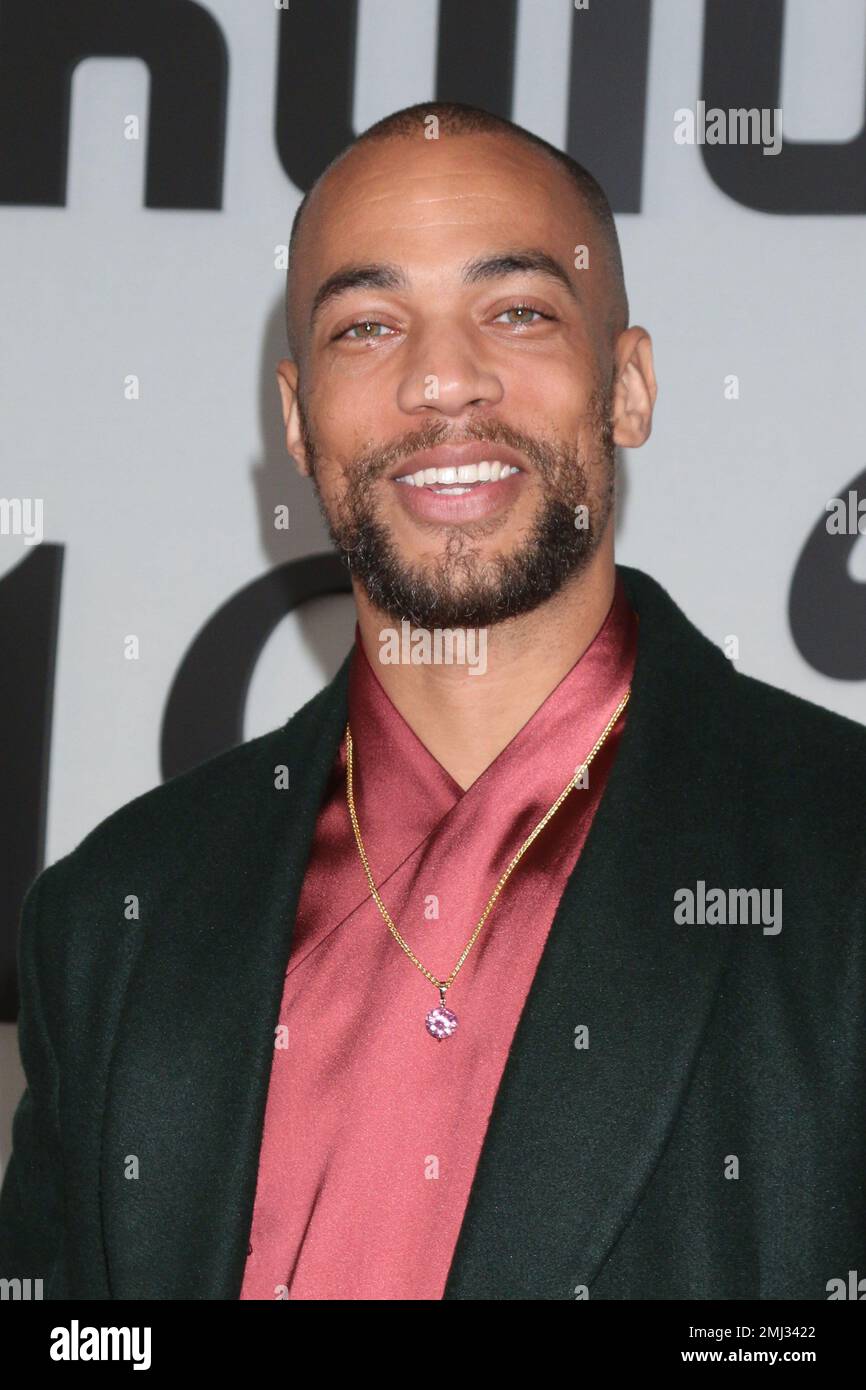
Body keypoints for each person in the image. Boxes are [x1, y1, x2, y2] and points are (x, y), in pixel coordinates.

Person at [1, 102, 864, 1301]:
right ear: (298, 425)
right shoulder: (113, 921)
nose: (441, 379)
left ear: (627, 387)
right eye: (367, 325)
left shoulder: (835, 859)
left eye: (515, 310)